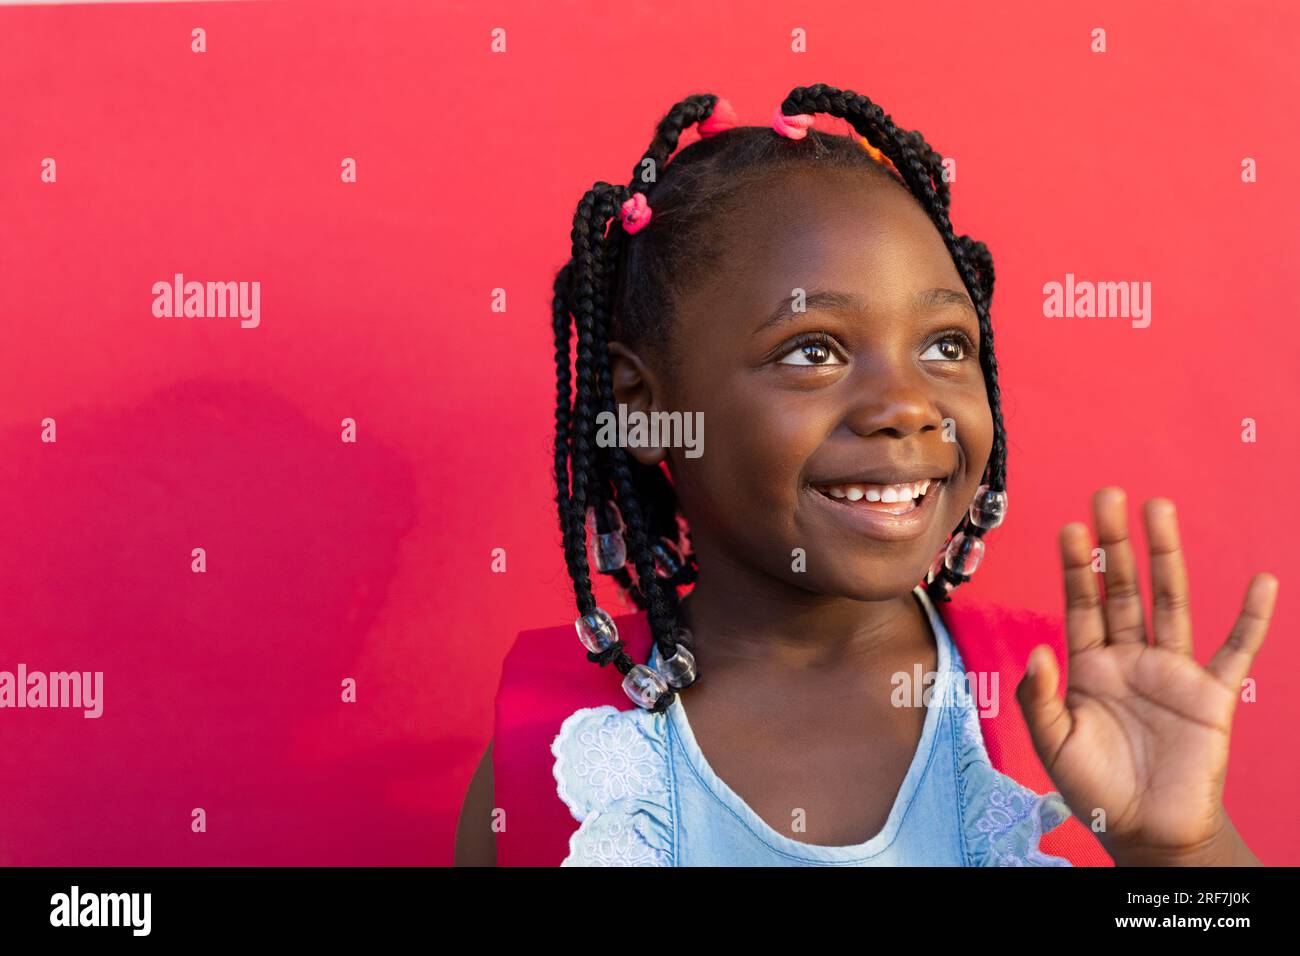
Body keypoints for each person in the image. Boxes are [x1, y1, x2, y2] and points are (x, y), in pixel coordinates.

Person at [455, 84, 1277, 867]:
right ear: (640, 405)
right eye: (813, 350)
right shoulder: (562, 753)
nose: (908, 406)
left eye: (945, 346)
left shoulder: (1057, 707)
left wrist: (1183, 853)